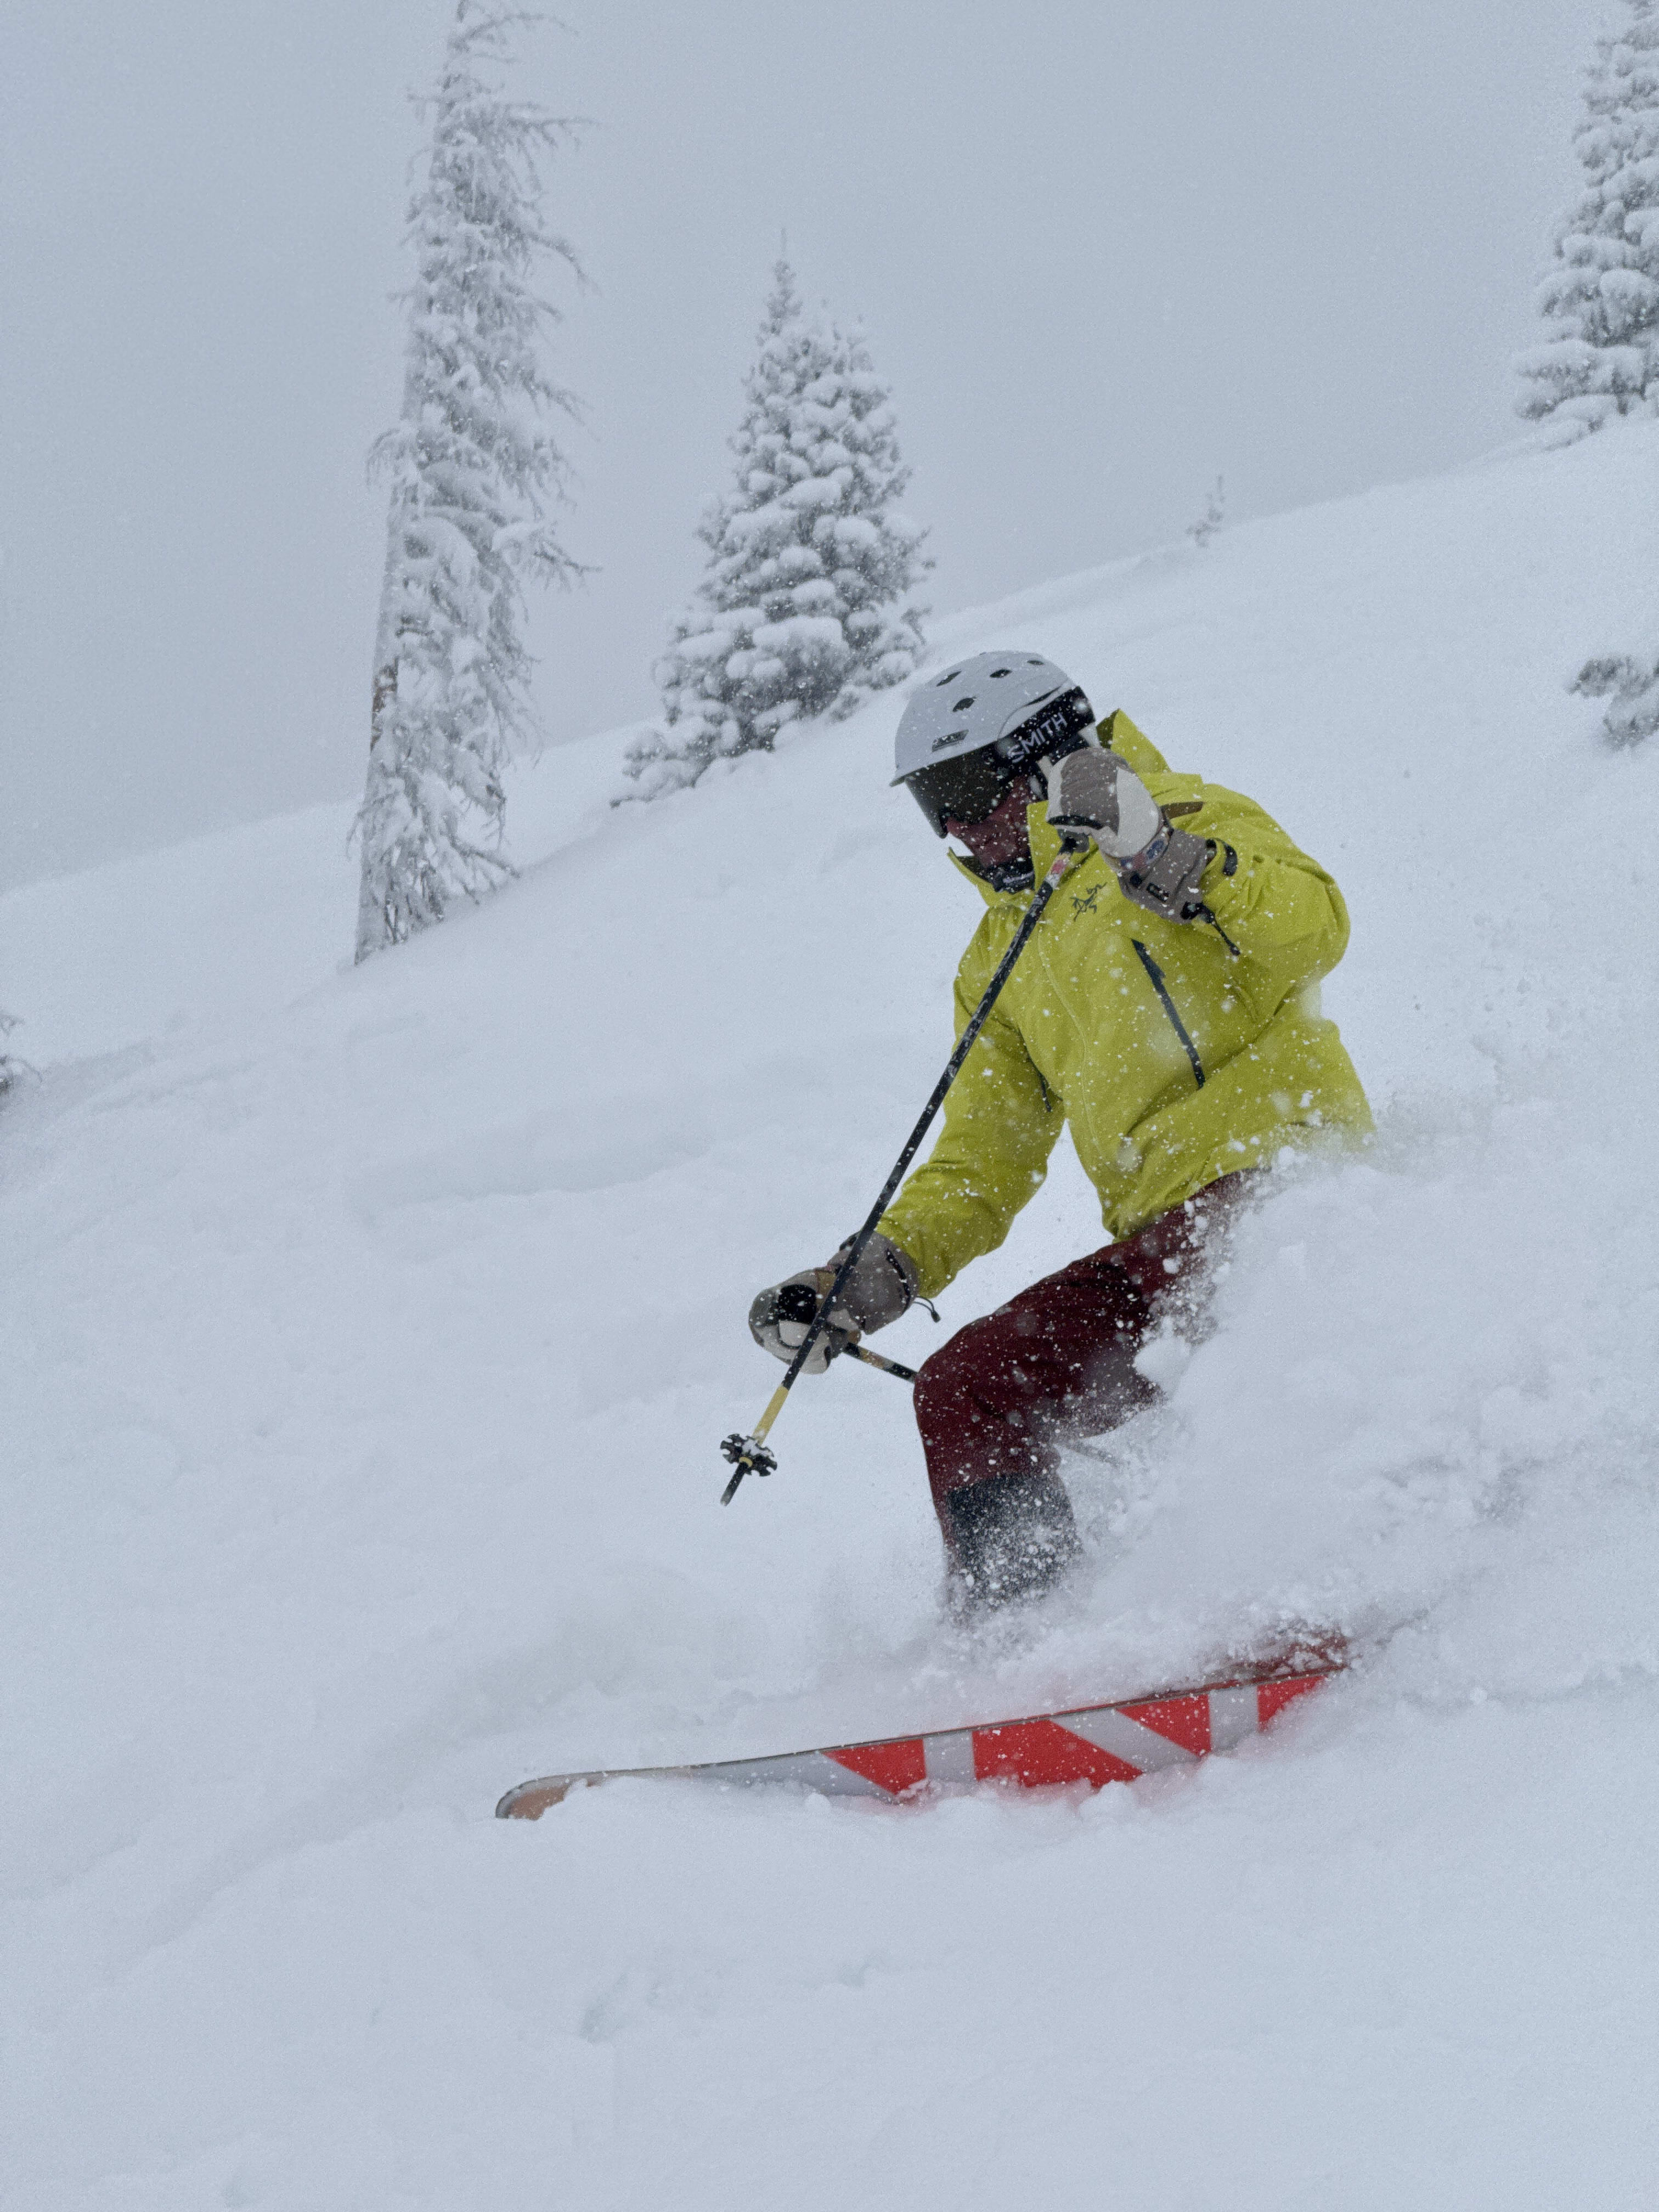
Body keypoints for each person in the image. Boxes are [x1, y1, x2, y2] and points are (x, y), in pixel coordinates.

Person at [750, 652, 1370, 1610]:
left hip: (1284, 1196)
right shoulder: (999, 952)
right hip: (1163, 1246)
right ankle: (1027, 1645)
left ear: (1041, 759)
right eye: (932, 804)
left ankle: (1332, 1576)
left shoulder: (1183, 816)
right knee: (967, 1386)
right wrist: (865, 1278)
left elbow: (1313, 929)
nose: (953, 826)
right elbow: (980, 1162)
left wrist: (1163, 857)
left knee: (1226, 1373)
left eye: (962, 790)